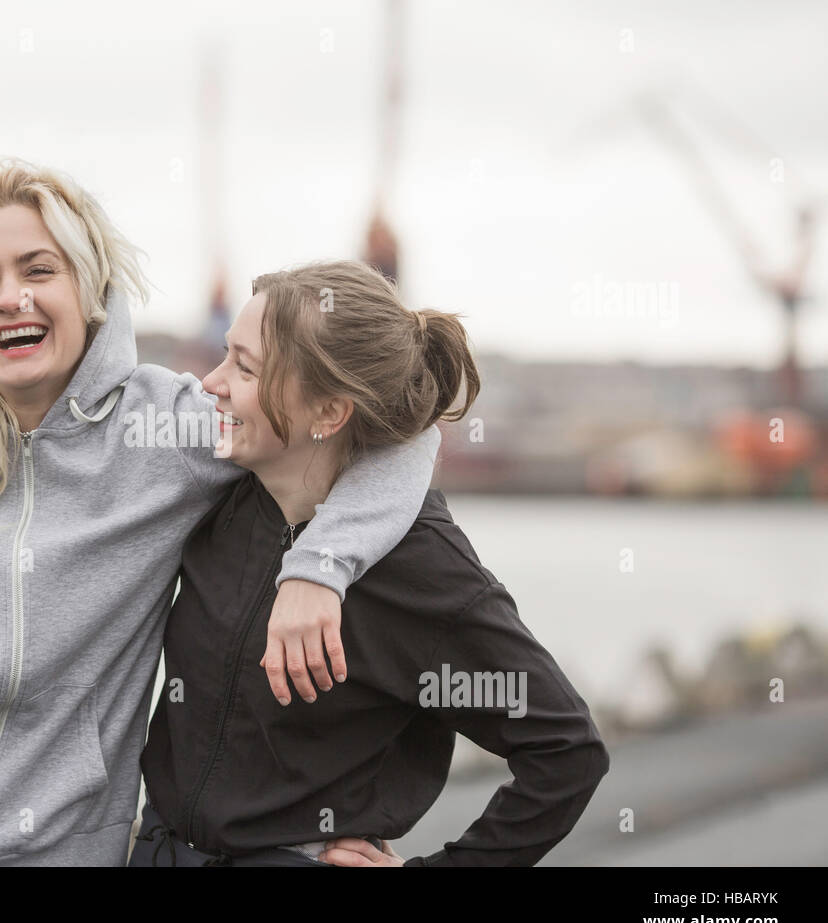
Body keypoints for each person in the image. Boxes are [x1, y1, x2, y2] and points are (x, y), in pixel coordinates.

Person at [0, 158, 442, 866]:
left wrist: (318, 569)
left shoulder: (168, 432)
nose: (9, 298)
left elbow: (401, 436)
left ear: (89, 289)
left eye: (38, 270)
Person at [132, 260, 611, 867]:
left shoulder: (423, 567)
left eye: (245, 367)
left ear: (329, 414)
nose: (210, 383)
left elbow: (566, 751)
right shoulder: (224, 492)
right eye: (225, 355)